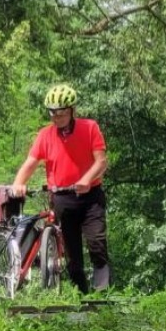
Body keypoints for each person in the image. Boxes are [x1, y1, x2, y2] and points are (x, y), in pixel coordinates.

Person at [9, 83, 110, 293]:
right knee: (72, 256)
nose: (57, 118)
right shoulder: (45, 135)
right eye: (53, 113)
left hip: (90, 196)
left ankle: (102, 292)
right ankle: (82, 296)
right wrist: (19, 182)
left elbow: (101, 162)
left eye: (61, 113)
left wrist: (86, 179)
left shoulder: (89, 127)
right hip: (63, 198)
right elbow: (31, 162)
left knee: (96, 243)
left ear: (72, 111)